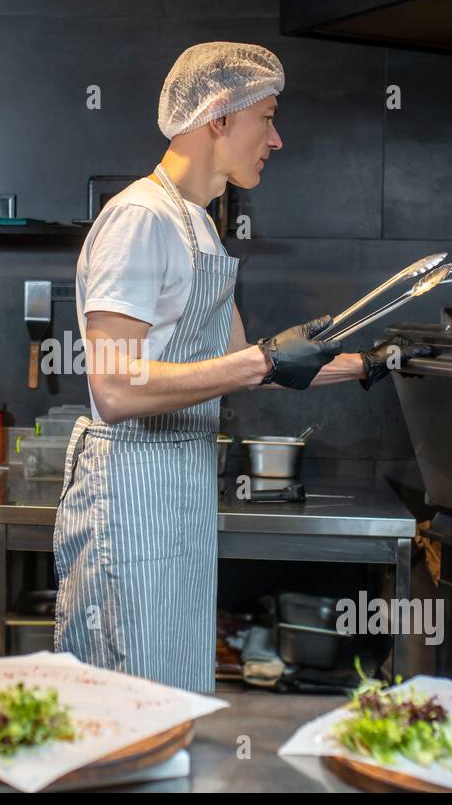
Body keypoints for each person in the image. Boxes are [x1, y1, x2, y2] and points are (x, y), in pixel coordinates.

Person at [52, 42, 430, 692]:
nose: (277, 139)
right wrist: (263, 358)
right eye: (269, 117)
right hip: (130, 498)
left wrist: (373, 363)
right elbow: (113, 387)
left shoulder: (198, 227)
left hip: (178, 499)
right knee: (126, 703)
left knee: (172, 698)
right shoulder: (139, 219)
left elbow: (248, 364)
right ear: (219, 116)